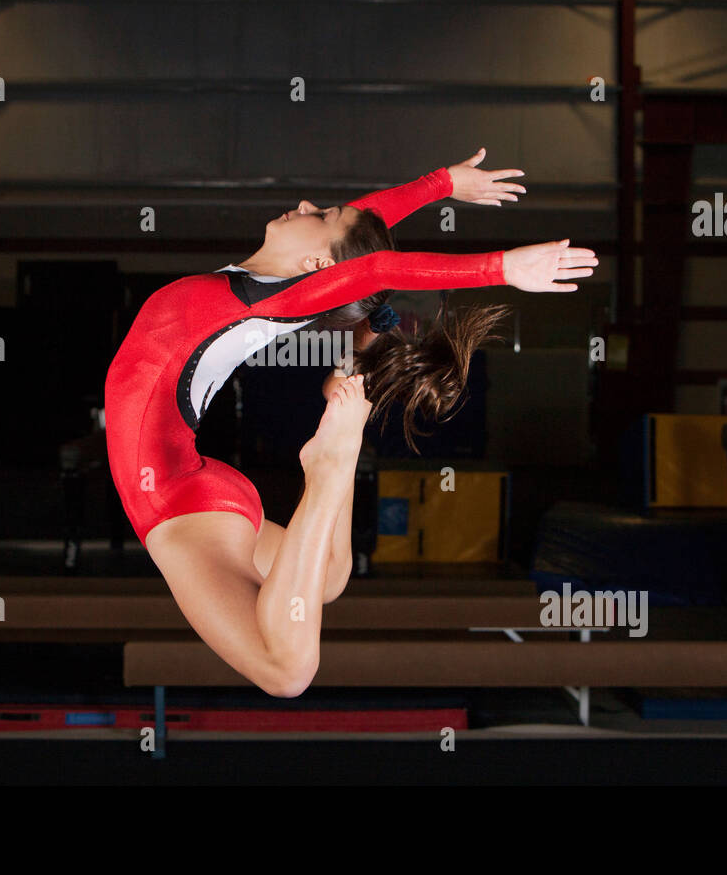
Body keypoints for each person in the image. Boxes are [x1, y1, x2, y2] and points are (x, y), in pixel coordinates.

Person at [103, 148, 598, 696]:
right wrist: (439, 184)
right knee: (330, 578)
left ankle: (331, 467)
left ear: (318, 268)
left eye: (318, 216)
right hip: (193, 487)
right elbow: (362, 233)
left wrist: (502, 268)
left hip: (178, 502)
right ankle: (343, 420)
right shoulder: (259, 287)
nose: (305, 204)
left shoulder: (271, 298)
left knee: (286, 673)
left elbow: (374, 266)